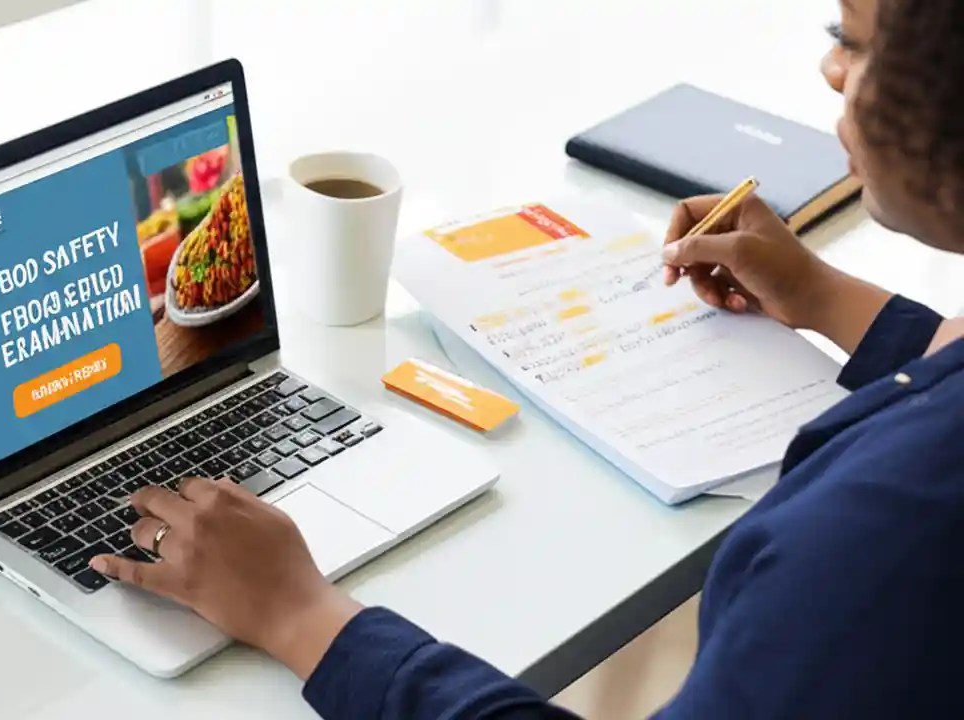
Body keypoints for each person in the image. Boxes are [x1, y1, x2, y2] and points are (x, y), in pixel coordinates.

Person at [90, 0, 964, 716]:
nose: (831, 71)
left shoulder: (883, 532)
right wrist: (825, 298)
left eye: (847, 39)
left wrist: (298, 613)